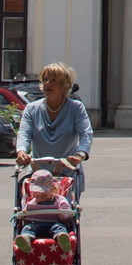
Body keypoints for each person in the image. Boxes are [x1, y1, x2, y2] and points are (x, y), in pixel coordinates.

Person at [14, 62, 93, 200]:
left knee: (66, 212)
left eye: (53, 80)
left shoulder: (76, 108)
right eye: (45, 80)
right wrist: (21, 152)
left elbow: (86, 133)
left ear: (64, 85)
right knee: (34, 211)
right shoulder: (32, 109)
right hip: (38, 173)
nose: (47, 84)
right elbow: (24, 133)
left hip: (67, 174)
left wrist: (80, 154)